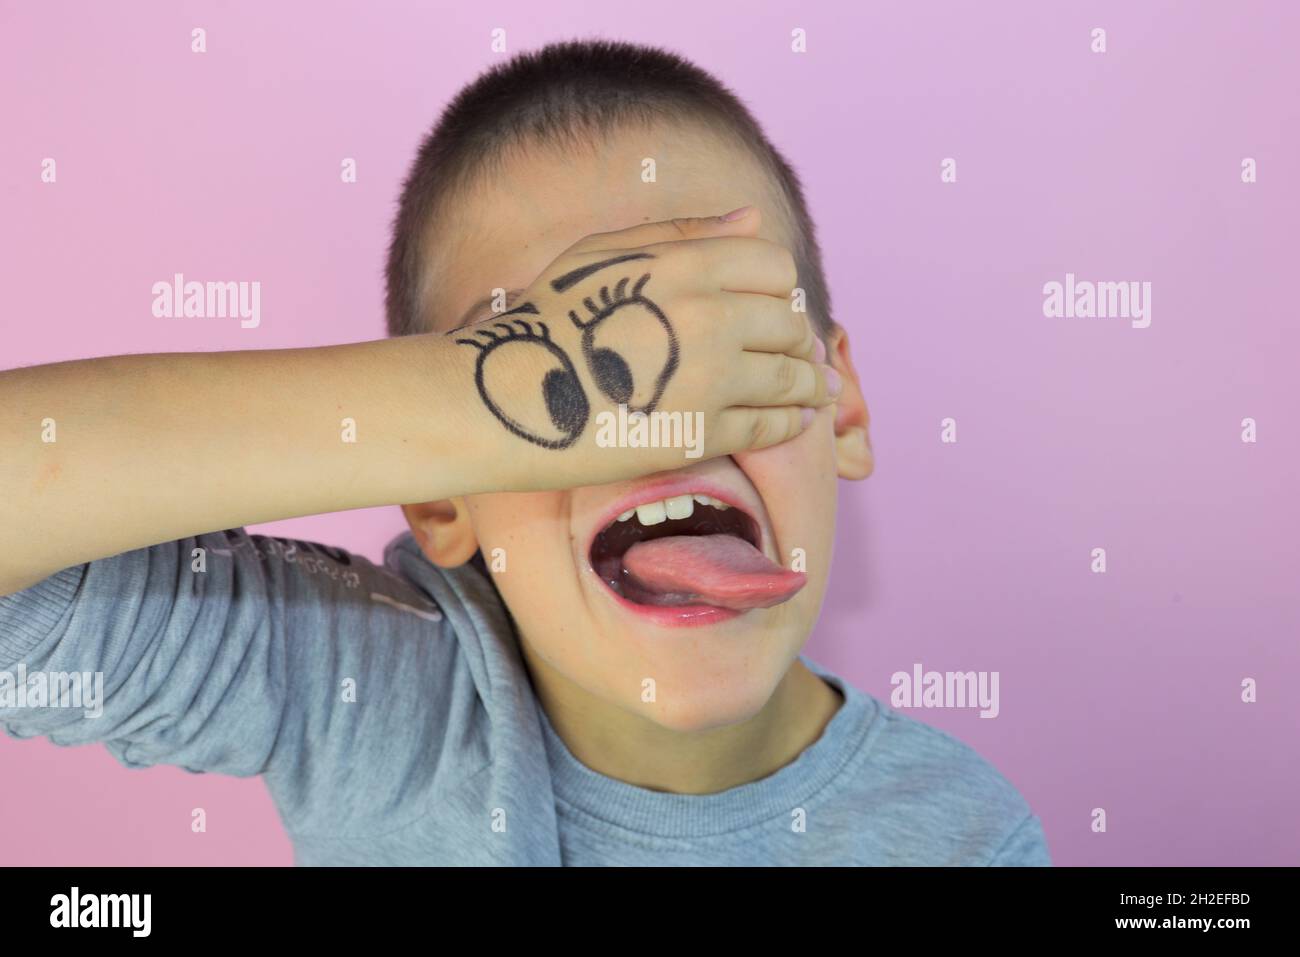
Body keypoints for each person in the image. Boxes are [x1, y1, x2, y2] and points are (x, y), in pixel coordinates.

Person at [0, 39, 1050, 865]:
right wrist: (481, 396)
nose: (652, 421)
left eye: (727, 346)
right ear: (441, 494)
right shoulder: (366, 688)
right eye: (564, 371)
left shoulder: (963, 834)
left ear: (843, 406)